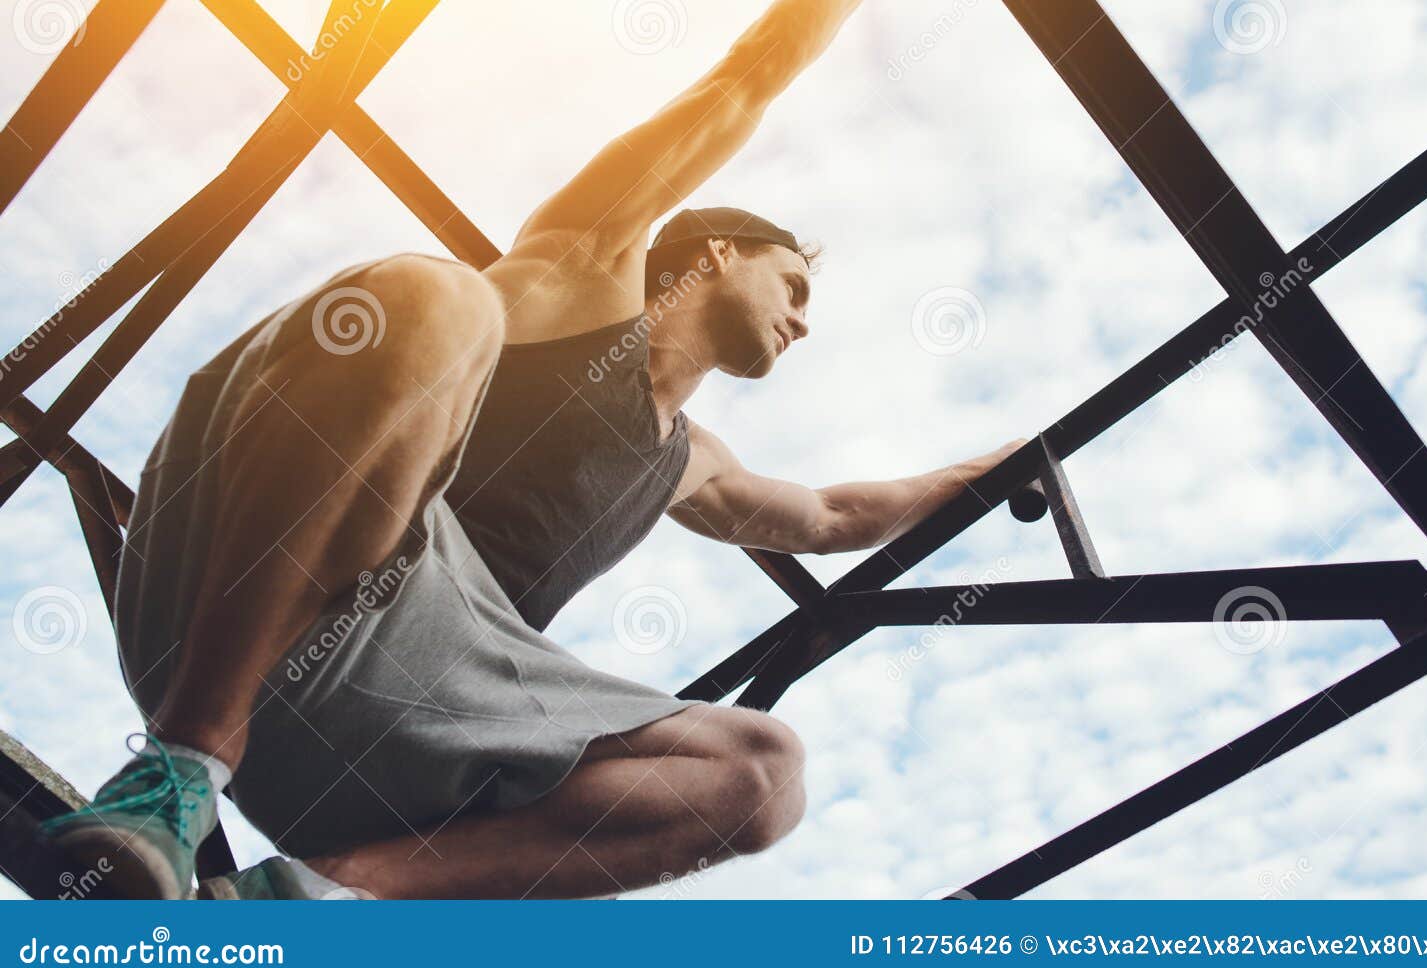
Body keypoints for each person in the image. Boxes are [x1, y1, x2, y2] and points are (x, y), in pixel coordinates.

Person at [42, 0, 1024, 899]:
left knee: (762, 774)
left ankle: (329, 902)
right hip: (233, 596)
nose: (802, 321)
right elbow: (745, 81)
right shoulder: (581, 270)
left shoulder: (692, 462)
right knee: (438, 297)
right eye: (793, 286)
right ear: (716, 252)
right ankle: (177, 769)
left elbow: (834, 519)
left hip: (391, 740)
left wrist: (996, 465)